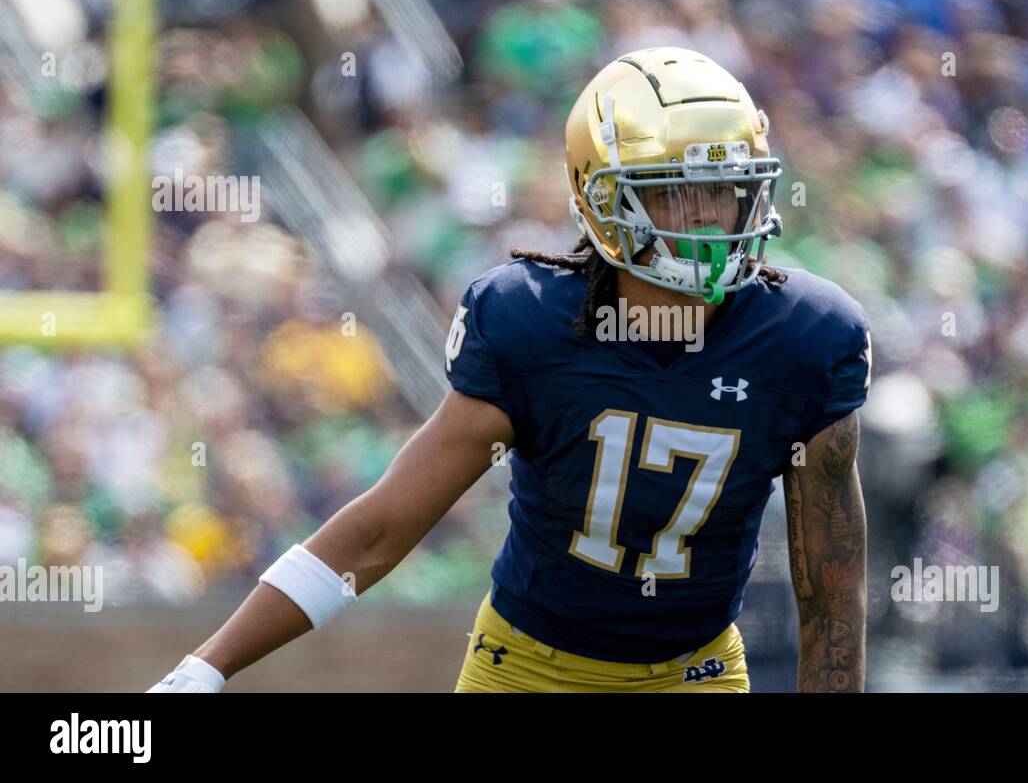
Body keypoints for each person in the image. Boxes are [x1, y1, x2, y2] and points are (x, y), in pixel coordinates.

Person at [149, 47, 871, 693]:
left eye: (725, 189)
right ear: (604, 197)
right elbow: (379, 532)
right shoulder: (532, 323)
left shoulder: (807, 339)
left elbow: (830, 585)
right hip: (528, 671)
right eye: (679, 192)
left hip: (695, 674)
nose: (711, 218)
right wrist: (207, 665)